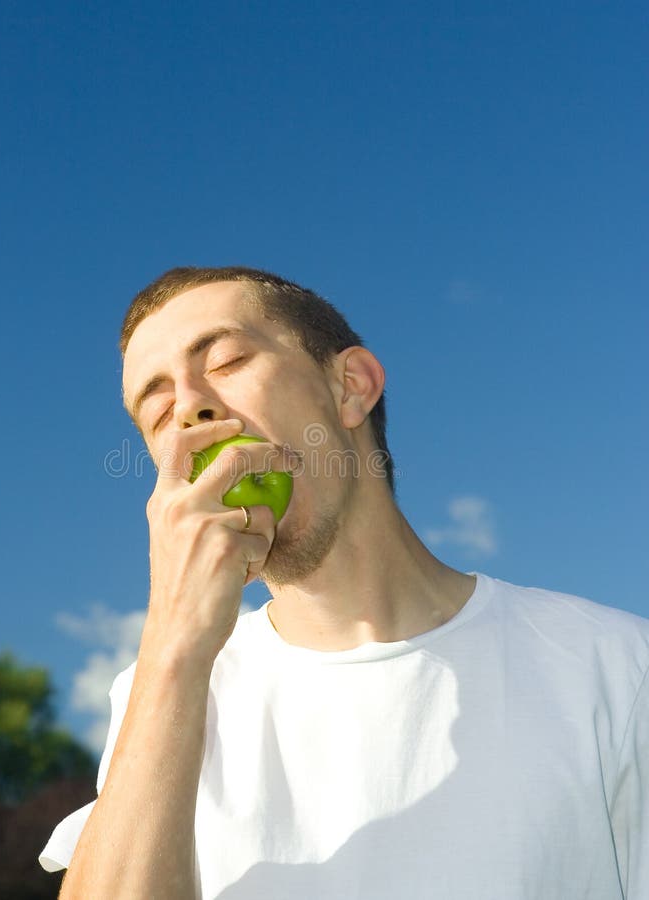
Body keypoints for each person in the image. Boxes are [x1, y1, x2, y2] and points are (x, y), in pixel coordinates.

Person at [40, 266, 647, 899]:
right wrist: (172, 645)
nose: (190, 407)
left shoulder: (618, 668)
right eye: (158, 410)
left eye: (225, 360)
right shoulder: (158, 695)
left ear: (351, 387)